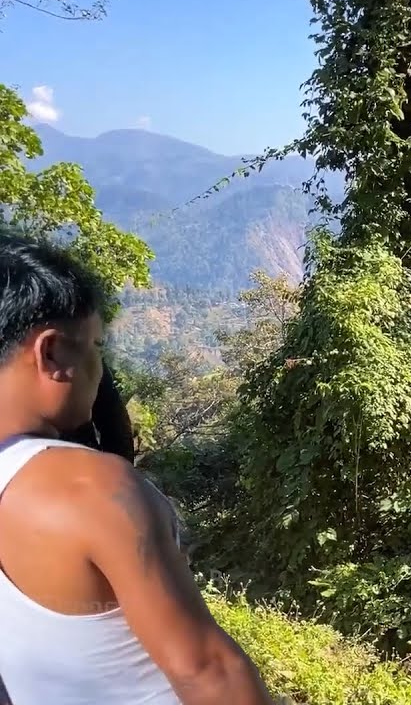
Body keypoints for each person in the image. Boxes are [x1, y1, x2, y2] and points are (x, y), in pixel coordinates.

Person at [0, 234, 274, 704]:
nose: (100, 369)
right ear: (51, 353)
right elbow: (207, 670)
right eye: (96, 346)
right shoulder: (90, 487)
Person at [62, 360, 136, 461]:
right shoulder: (82, 358)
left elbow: (114, 422)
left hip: (83, 458)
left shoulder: (82, 358)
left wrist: (118, 465)